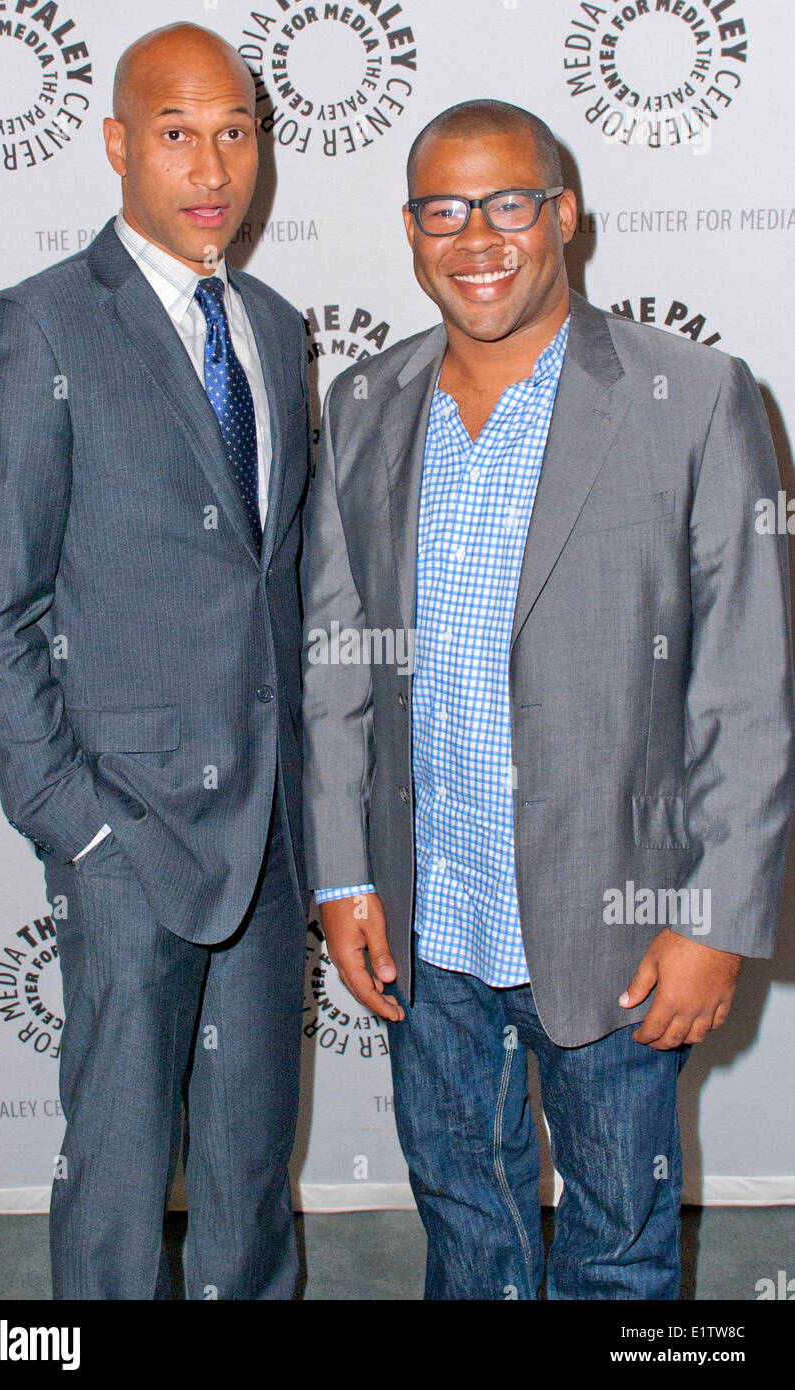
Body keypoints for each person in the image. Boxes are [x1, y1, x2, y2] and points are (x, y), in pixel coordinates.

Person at [301, 99, 795, 1299]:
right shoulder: (365, 402)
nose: (476, 237)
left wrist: (714, 919)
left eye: (508, 202)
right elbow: (335, 663)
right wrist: (341, 874)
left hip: (618, 928)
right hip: (425, 924)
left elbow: (747, 684)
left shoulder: (694, 395)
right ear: (410, 229)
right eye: (442, 209)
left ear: (562, 213)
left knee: (618, 1251)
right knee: (466, 1234)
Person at [0, 23, 311, 1301]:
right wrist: (77, 822)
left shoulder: (274, 324)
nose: (210, 165)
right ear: (114, 143)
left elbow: (271, 584)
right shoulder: (33, 329)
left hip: (270, 828)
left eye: (234, 132)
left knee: (251, 1171)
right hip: (126, 835)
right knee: (117, 1176)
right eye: (175, 132)